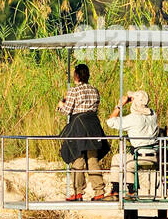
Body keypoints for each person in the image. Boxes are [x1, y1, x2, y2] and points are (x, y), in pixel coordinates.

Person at [57, 63, 111, 201]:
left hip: (79, 126)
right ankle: (99, 191)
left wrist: (61, 105)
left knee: (78, 158)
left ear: (76, 75)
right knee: (92, 158)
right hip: (93, 125)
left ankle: (77, 191)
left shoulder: (74, 91)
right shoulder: (94, 90)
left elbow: (67, 110)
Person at [105, 90, 160, 197]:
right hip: (154, 156)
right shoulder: (153, 115)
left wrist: (120, 105)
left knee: (117, 158)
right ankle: (131, 190)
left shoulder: (133, 118)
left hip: (140, 158)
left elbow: (110, 122)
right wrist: (134, 100)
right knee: (127, 159)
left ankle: (115, 190)